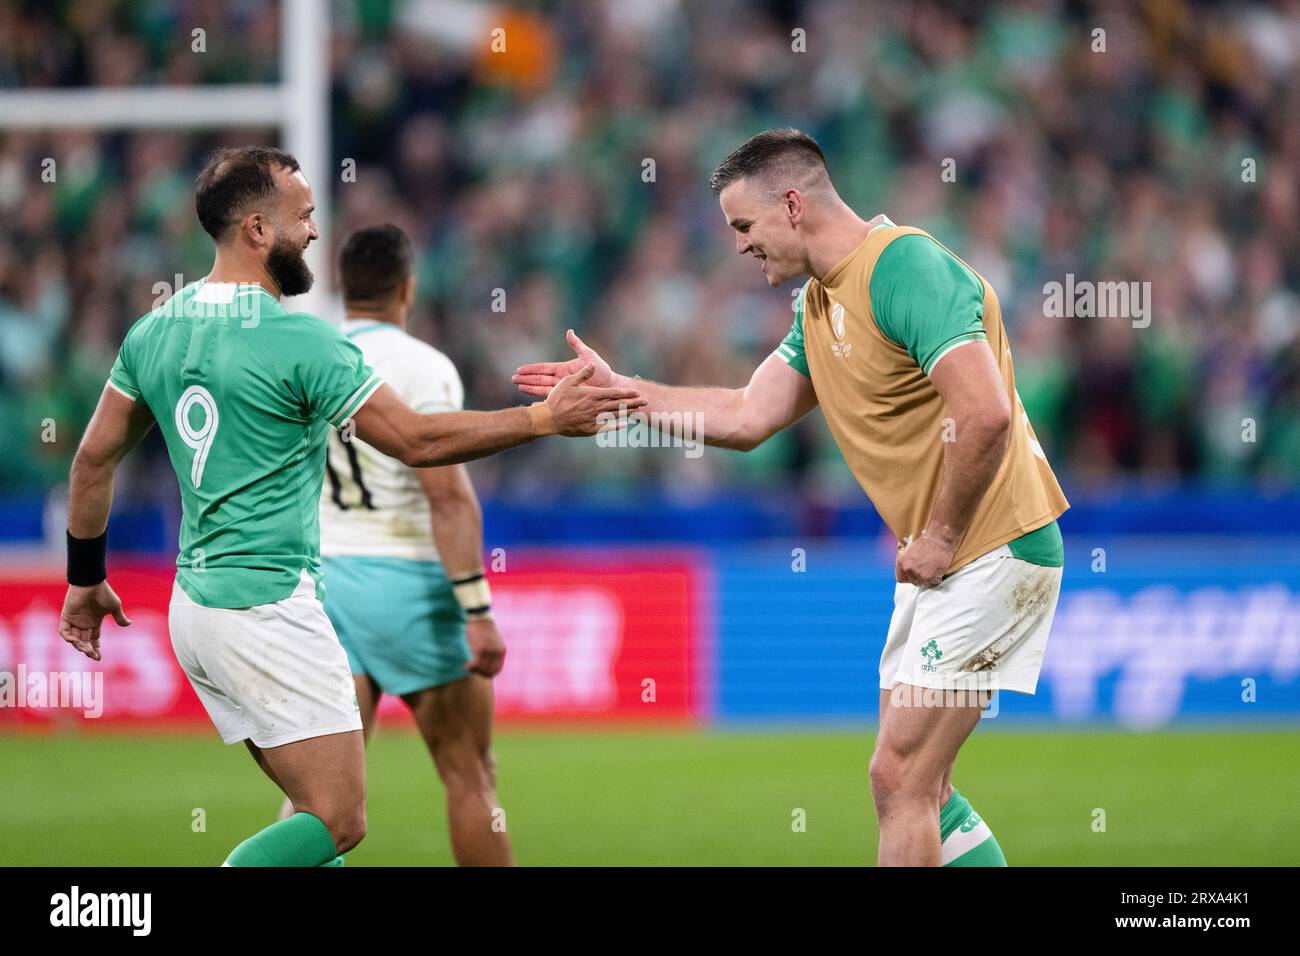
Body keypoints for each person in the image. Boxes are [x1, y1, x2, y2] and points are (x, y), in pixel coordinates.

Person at [58, 146, 642, 867]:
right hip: (268, 605)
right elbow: (417, 441)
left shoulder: (152, 332)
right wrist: (541, 421)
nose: (313, 233)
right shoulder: (300, 339)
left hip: (196, 608)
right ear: (255, 230)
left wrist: (84, 579)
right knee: (338, 820)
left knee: (308, 819)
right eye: (302, 217)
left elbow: (92, 460)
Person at [514, 128, 1069, 867]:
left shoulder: (902, 267)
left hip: (994, 543)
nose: (740, 246)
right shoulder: (820, 302)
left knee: (897, 776)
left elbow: (987, 412)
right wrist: (628, 397)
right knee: (924, 791)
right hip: (953, 556)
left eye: (745, 226)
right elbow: (749, 417)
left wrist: (937, 535)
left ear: (795, 204)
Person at [273, 223, 511, 865]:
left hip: (320, 584)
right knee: (468, 772)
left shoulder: (306, 353)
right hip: (405, 581)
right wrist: (478, 611)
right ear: (409, 288)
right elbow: (449, 497)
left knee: (317, 795)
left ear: (343, 286)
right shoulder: (423, 367)